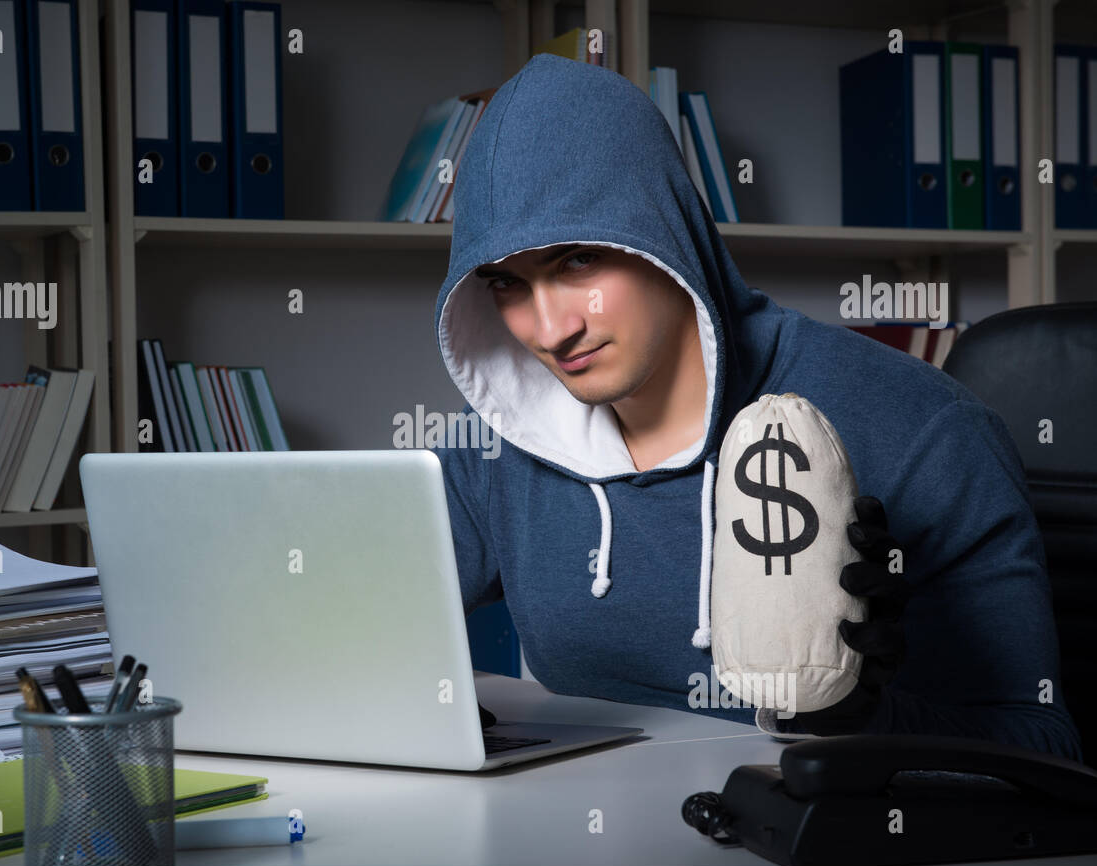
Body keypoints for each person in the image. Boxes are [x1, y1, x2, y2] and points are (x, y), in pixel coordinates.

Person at [429, 54, 1082, 761]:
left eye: (578, 262)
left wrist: (862, 719)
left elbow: (1046, 749)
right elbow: (350, 624)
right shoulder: (503, 447)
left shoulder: (926, 430)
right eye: (505, 284)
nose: (552, 329)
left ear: (663, 227)